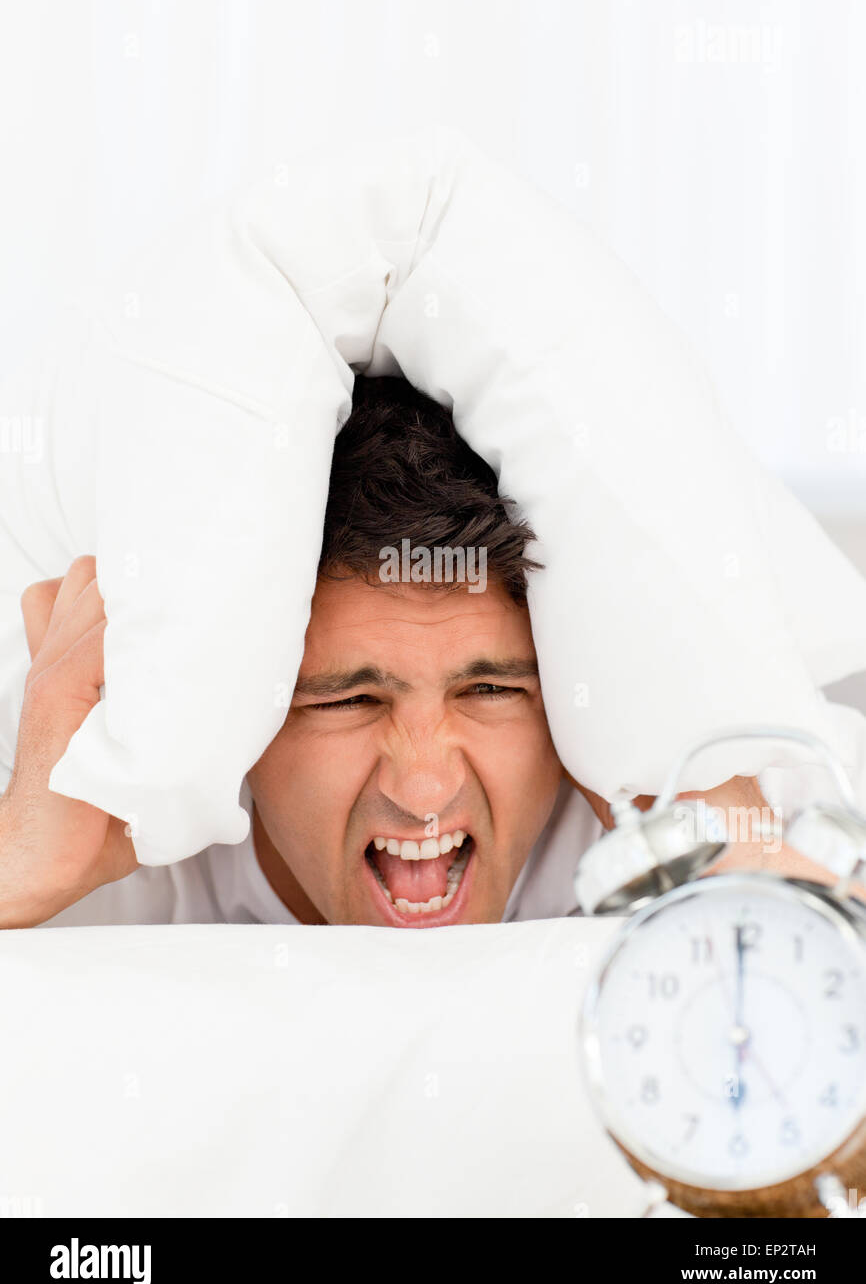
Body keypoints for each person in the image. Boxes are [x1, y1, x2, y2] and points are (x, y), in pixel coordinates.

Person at [0, 377, 847, 929]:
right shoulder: (122, 845)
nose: (424, 787)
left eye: (488, 690)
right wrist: (22, 869)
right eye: (346, 701)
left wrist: (738, 862)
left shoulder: (707, 797)